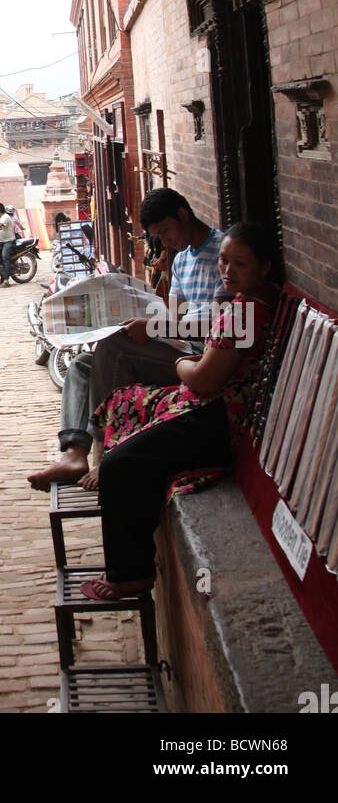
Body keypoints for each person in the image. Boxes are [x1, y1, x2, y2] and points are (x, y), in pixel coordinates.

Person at [80, 223, 279, 600]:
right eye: (224, 261)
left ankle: (130, 572)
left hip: (215, 419)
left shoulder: (247, 312)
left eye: (241, 264)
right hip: (209, 407)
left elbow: (203, 379)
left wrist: (181, 365)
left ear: (265, 268)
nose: (228, 272)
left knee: (121, 464)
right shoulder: (251, 302)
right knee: (126, 400)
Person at [27, 188, 224, 492]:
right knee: (81, 365)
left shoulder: (224, 254)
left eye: (166, 231)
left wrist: (156, 329)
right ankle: (75, 453)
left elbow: (222, 324)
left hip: (199, 357)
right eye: (159, 235)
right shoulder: (182, 260)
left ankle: (109, 453)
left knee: (114, 349)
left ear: (183, 215)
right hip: (176, 347)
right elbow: (174, 314)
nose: (166, 241)